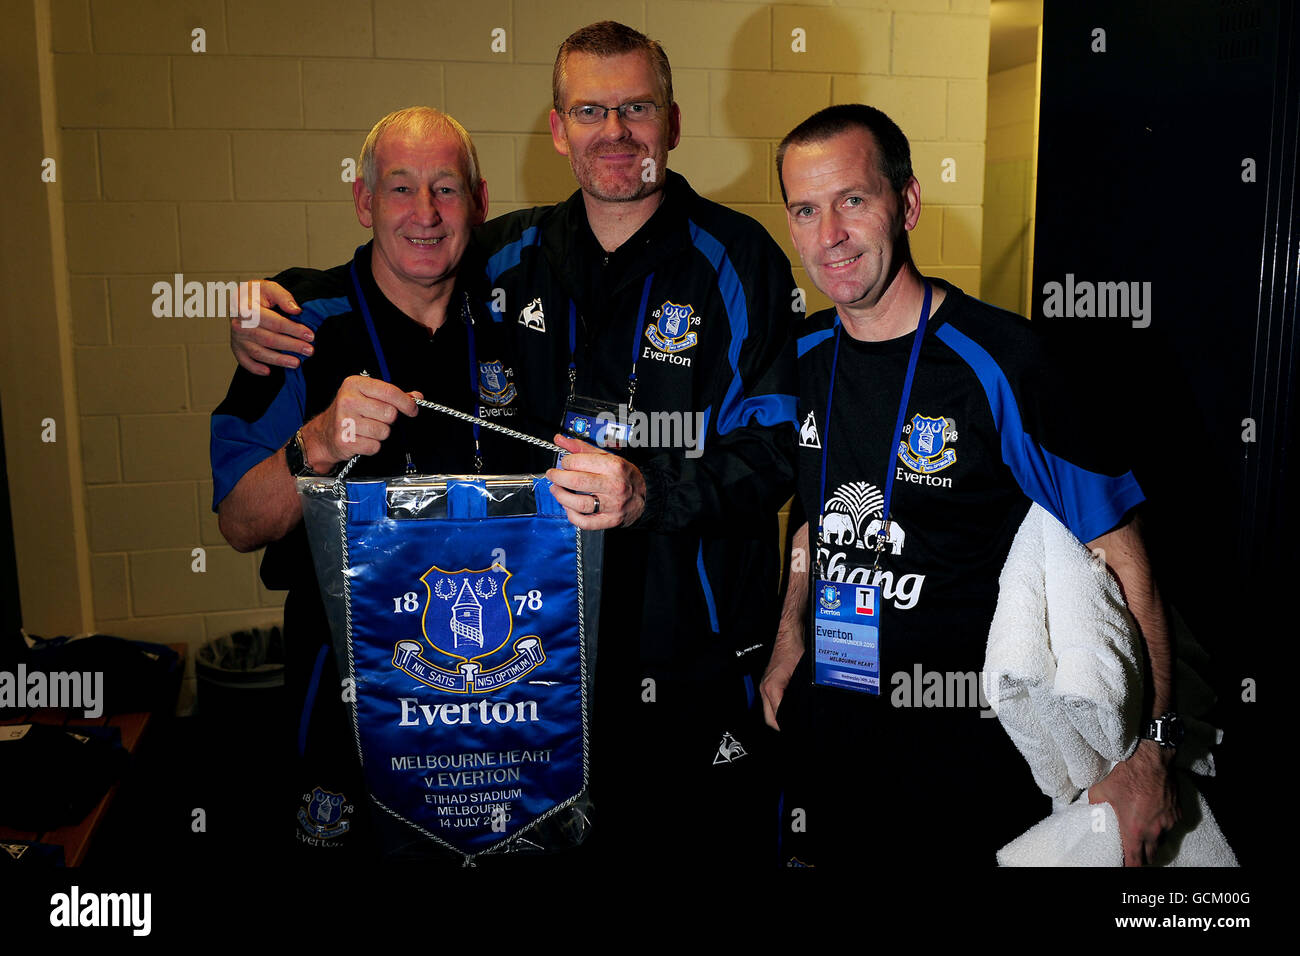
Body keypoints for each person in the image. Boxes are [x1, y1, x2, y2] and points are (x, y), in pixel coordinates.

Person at [230, 22, 798, 866]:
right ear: (559, 129)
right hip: (534, 669)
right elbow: (397, 266)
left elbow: (780, 452)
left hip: (687, 666)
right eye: (590, 110)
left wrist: (651, 492)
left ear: (673, 123)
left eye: (637, 108)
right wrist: (265, 306)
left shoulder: (741, 259)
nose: (615, 131)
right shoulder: (507, 255)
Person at [760, 104, 1179, 867]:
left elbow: (1125, 555)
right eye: (805, 210)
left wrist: (1151, 750)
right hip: (836, 727)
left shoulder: (1006, 362)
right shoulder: (804, 357)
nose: (830, 235)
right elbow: (812, 519)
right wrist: (790, 636)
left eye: (853, 200)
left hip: (966, 751)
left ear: (907, 203)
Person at [210, 107, 533, 861]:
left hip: (500, 684)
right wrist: (317, 443)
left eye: (446, 188)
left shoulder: (518, 315)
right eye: (400, 188)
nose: (426, 213)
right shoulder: (298, 323)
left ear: (480, 203)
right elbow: (238, 522)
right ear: (363, 201)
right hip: (348, 690)